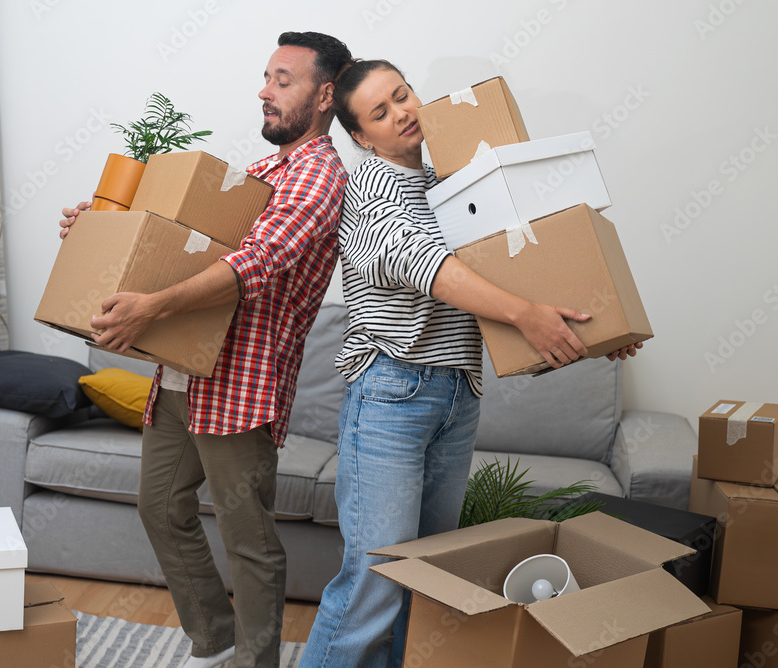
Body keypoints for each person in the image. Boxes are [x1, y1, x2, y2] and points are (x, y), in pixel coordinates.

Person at [297, 59, 642, 668]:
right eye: (381, 112)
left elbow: (515, 263)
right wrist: (528, 314)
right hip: (392, 395)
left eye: (403, 96)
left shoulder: (448, 185)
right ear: (360, 137)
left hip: (455, 395)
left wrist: (593, 331)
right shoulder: (371, 192)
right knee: (374, 581)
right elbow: (431, 268)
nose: (402, 112)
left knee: (425, 573)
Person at [59, 32, 351, 668]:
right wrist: (107, 224)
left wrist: (153, 307)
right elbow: (188, 241)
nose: (263, 92)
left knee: (249, 541)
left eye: (282, 80)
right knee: (161, 507)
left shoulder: (319, 178)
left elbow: (255, 261)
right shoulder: (260, 173)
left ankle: (256, 660)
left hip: (241, 387)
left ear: (324, 95)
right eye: (265, 78)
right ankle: (215, 642)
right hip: (185, 373)